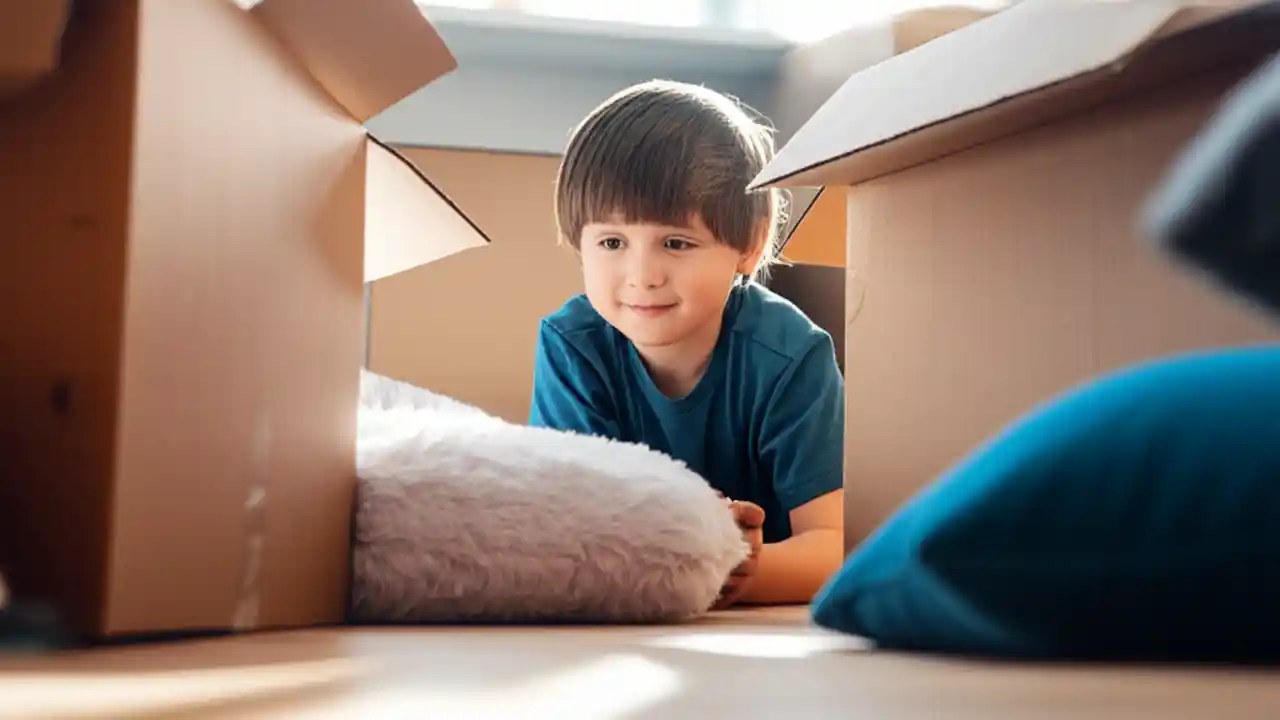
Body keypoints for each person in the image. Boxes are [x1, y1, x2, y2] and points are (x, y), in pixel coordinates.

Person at [528, 79, 845, 609]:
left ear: (750, 244)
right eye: (611, 242)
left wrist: (740, 569)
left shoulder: (792, 357)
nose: (642, 275)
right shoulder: (573, 345)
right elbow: (564, 529)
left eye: (676, 242)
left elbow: (837, 546)